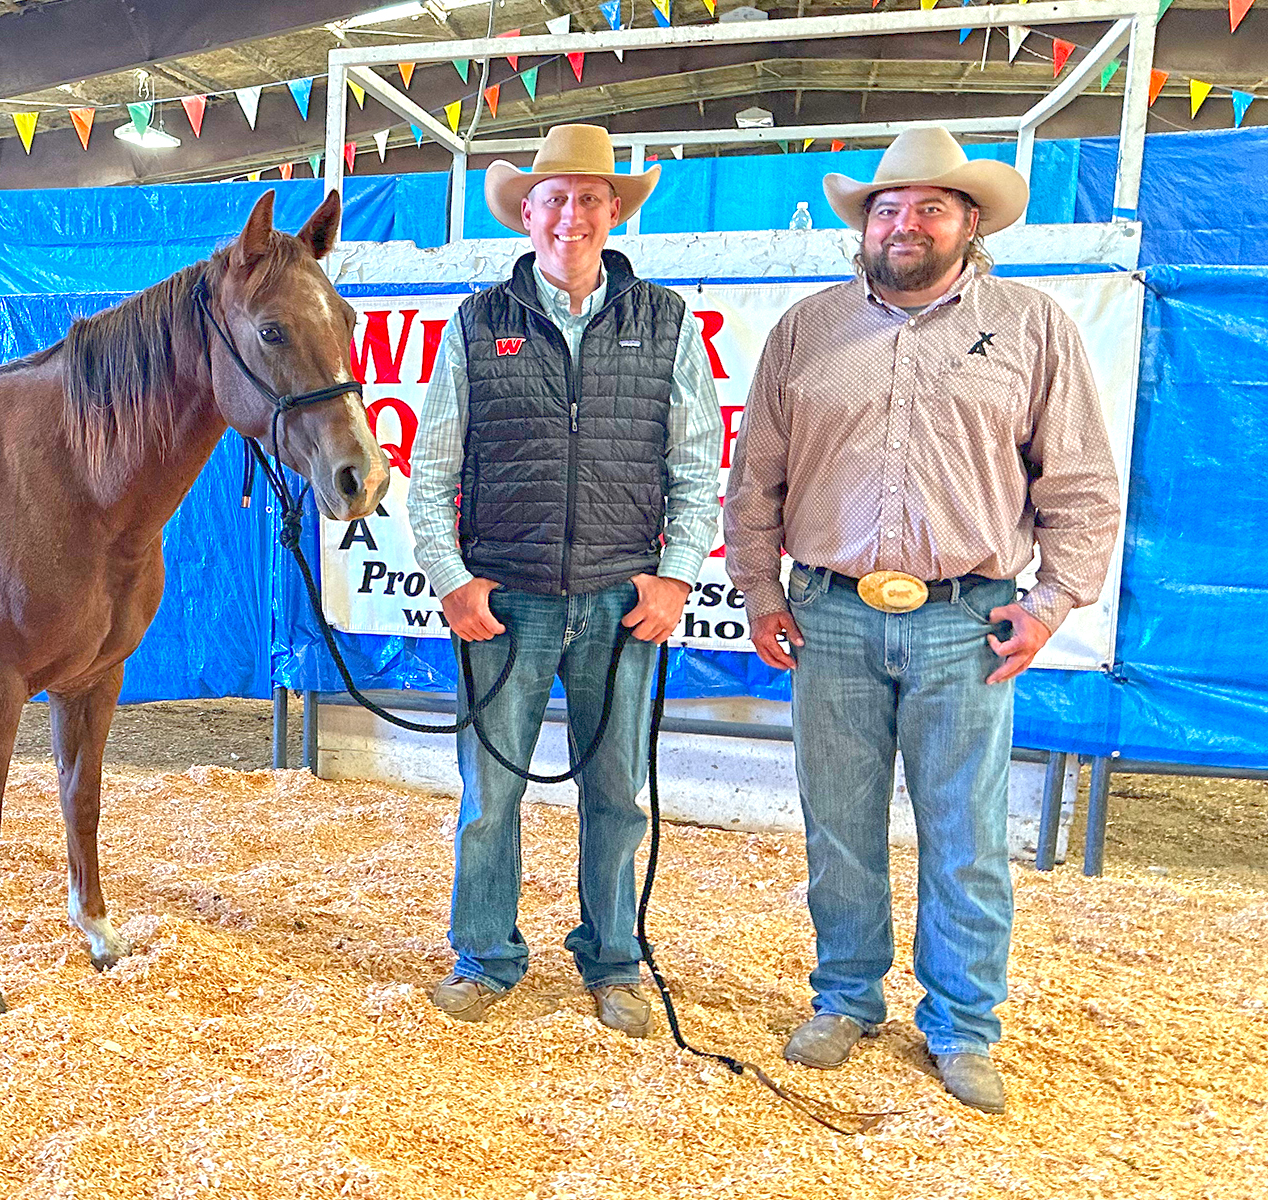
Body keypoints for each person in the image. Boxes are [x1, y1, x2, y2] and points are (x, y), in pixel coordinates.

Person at [724, 126, 1122, 1112]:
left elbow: (1079, 482)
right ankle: (847, 997)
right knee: (840, 826)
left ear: (970, 221)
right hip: (830, 613)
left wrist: (1051, 603)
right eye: (888, 209)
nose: (905, 224)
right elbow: (754, 482)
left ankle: (961, 1025)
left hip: (968, 620)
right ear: (867, 224)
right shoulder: (805, 330)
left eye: (929, 207)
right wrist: (761, 591)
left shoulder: (1034, 326)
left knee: (967, 834)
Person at [408, 124, 722, 1038]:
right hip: (504, 604)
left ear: (613, 211)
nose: (571, 215)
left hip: (621, 604)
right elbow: (433, 470)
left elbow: (697, 468)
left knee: (618, 791)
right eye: (555, 199)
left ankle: (614, 961)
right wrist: (451, 578)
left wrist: (674, 578)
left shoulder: (665, 322)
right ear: (528, 214)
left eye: (590, 198)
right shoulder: (477, 324)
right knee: (488, 794)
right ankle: (485, 955)